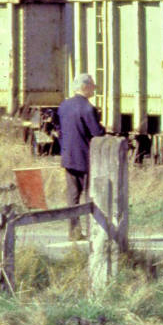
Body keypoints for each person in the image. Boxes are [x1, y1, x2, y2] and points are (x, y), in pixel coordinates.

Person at [57, 73, 103, 241]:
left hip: (68, 157)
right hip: (85, 158)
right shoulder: (88, 108)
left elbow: (60, 131)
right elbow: (97, 133)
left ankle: (74, 232)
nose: (94, 89)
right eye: (92, 86)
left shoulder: (64, 106)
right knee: (90, 195)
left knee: (73, 196)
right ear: (85, 87)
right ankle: (93, 231)